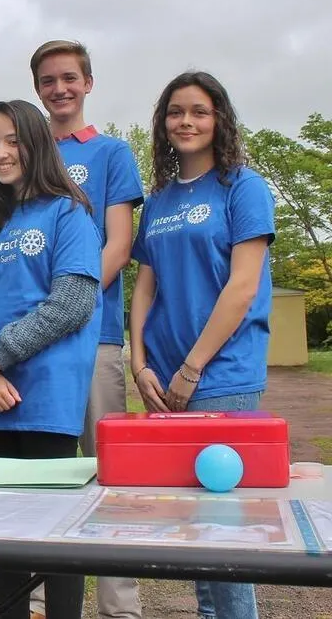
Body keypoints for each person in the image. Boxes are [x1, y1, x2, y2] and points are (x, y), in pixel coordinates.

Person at [130, 72, 274, 619]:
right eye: (175, 112)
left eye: (199, 111)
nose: (185, 122)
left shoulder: (243, 187)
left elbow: (241, 288)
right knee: (190, 521)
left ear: (219, 121)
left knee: (224, 530)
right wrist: (139, 362)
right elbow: (145, 285)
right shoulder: (160, 200)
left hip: (223, 375)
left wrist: (192, 367)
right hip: (163, 379)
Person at [0, 99, 102, 619]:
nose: (1, 153)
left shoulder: (69, 212)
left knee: (57, 534)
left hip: (47, 397)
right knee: (2, 529)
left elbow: (74, 302)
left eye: (12, 141)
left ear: (36, 143)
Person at [29, 40, 144, 619]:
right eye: (48, 81)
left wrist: (63, 305)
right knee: (48, 478)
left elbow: (119, 245)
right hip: (34, 348)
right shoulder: (22, 153)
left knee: (109, 474)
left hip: (93, 339)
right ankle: (45, 598)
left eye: (69, 78)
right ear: (37, 90)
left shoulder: (112, 154)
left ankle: (119, 606)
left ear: (88, 83)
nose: (59, 89)